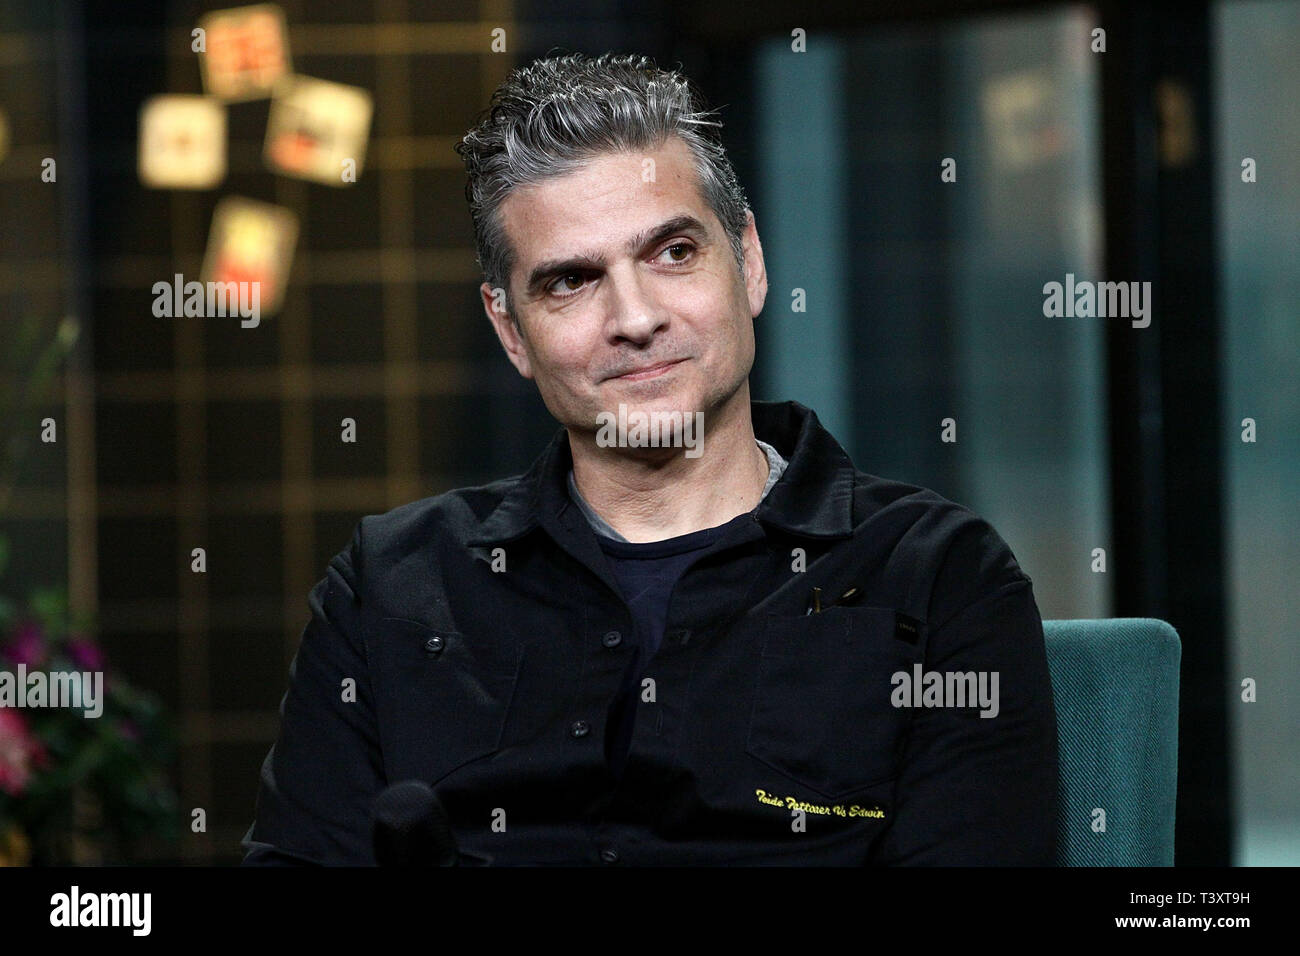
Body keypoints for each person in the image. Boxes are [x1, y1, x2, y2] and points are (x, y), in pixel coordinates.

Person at [241, 51, 1057, 866]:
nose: (634, 318)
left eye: (672, 253)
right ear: (510, 330)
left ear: (751, 262)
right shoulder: (389, 588)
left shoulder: (941, 576)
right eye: (570, 281)